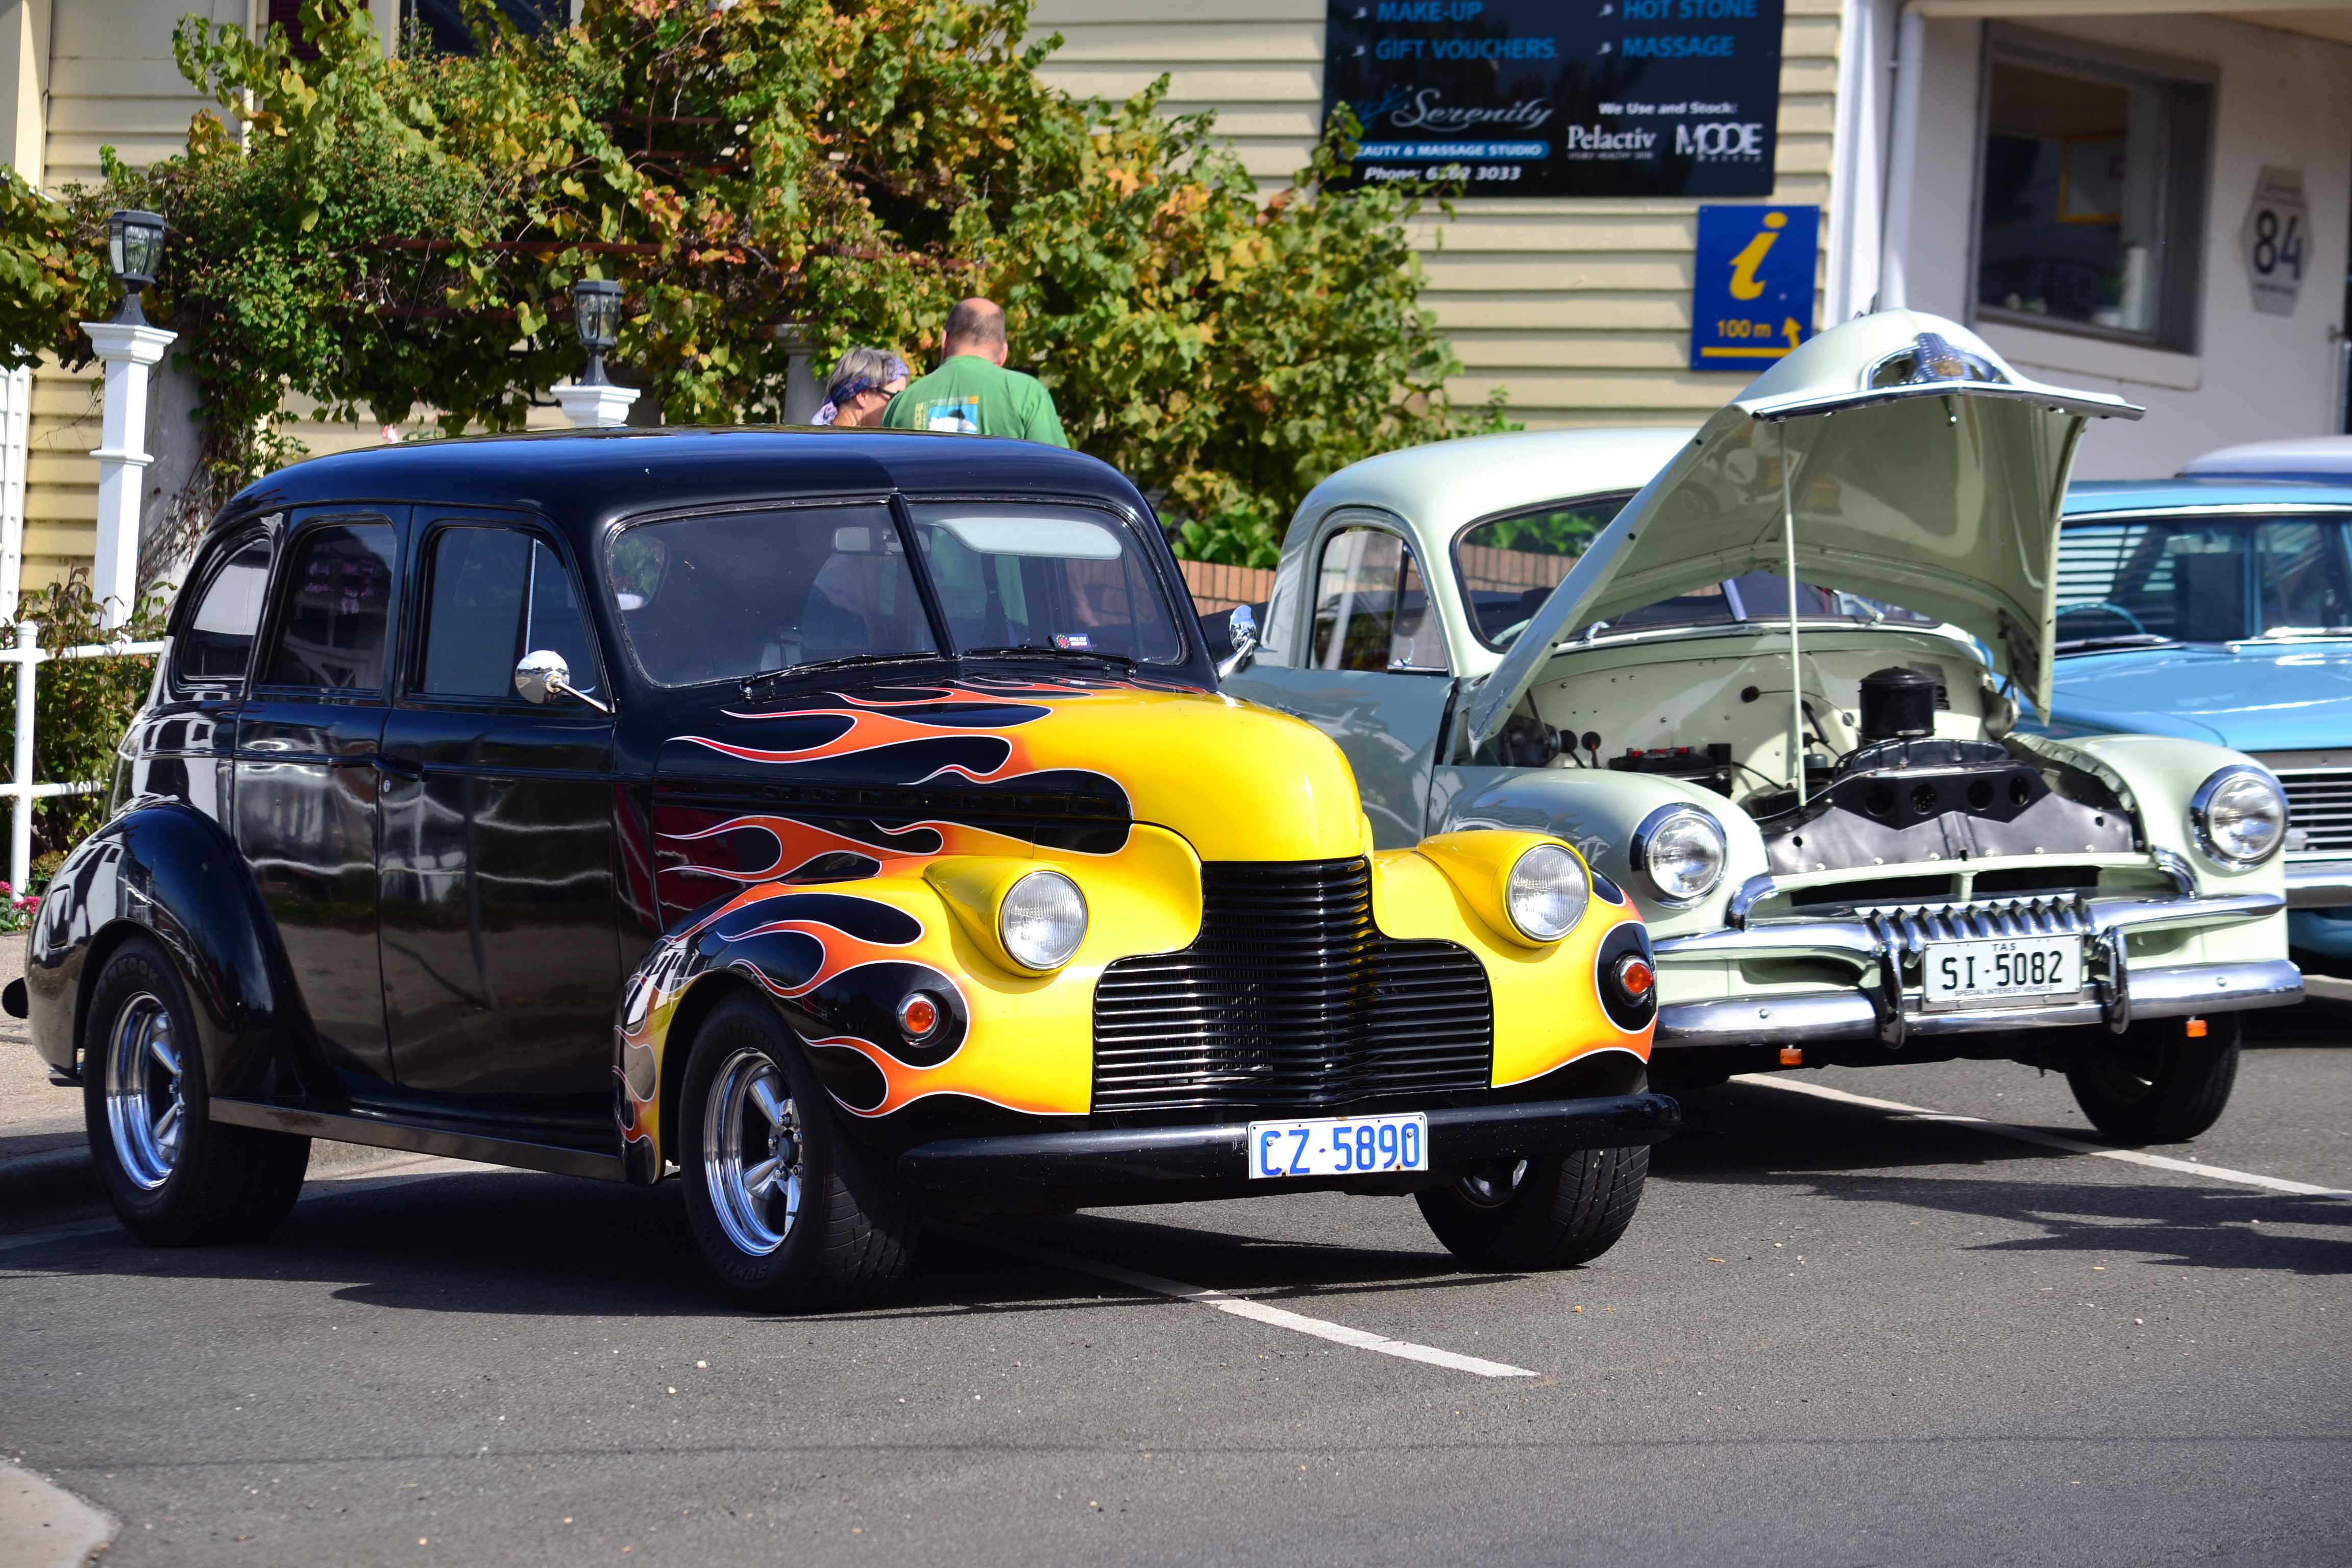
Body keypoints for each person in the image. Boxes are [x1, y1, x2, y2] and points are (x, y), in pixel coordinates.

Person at [880, 298, 1069, 446]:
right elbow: (1061, 473)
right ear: (1003, 353)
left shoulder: (901, 403)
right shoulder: (1028, 395)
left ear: (944, 341)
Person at [811, 347, 909, 428]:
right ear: (862, 396)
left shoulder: (820, 440)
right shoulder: (824, 449)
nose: (902, 407)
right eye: (896, 398)